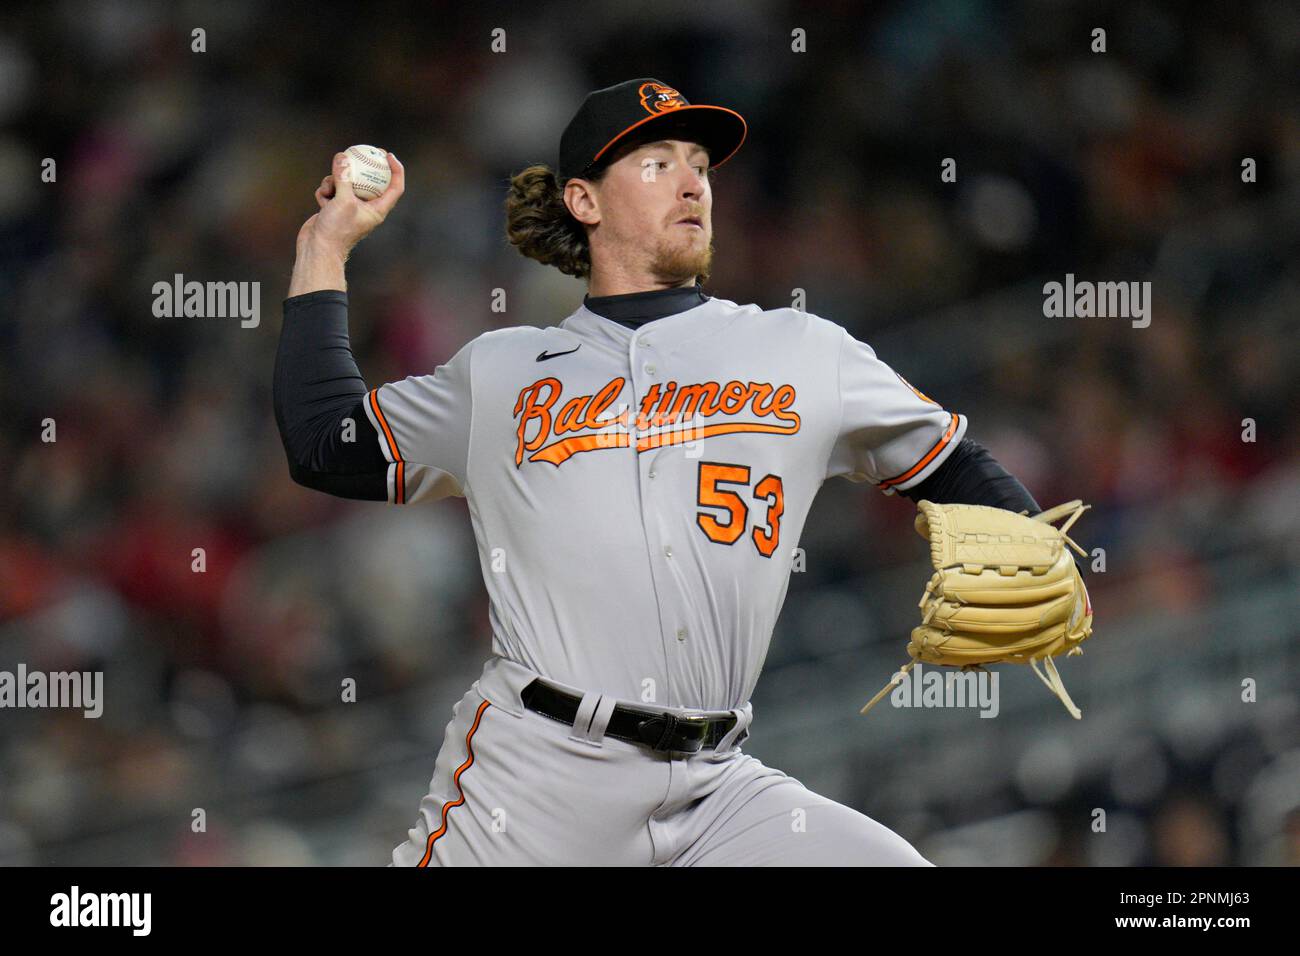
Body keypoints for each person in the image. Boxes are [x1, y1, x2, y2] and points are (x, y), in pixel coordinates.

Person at [274, 78, 1042, 866]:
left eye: (700, 165)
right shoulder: (501, 375)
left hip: (717, 788)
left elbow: (954, 462)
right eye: (657, 162)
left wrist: (1036, 555)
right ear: (584, 200)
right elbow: (326, 441)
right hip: (535, 781)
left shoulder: (804, 351)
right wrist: (322, 249)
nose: (691, 183)